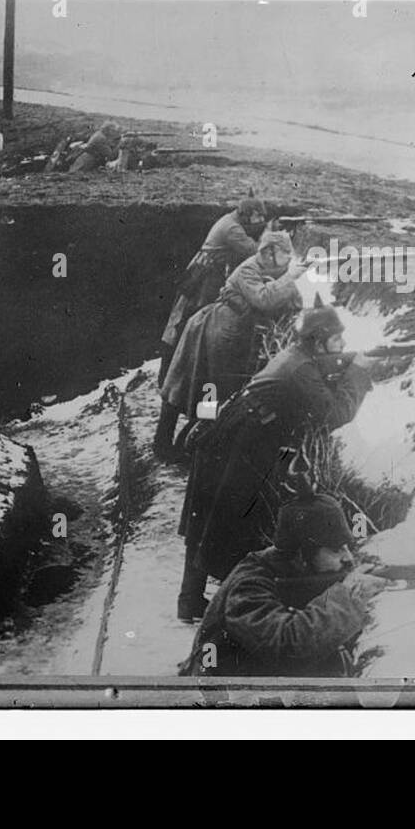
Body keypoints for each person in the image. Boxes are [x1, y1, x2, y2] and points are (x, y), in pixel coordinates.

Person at [175, 299, 374, 621]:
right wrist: (359, 375)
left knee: (210, 520)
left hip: (236, 434)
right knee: (228, 524)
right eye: (337, 340)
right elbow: (333, 414)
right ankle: (234, 605)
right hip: (241, 442)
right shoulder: (302, 367)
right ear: (319, 341)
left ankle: (191, 601)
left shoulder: (301, 358)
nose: (344, 345)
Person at [178, 494, 388, 677]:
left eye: (347, 547)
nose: (348, 558)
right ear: (302, 555)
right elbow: (287, 645)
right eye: (335, 549)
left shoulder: (295, 572)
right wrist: (348, 597)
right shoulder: (249, 584)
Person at [153, 229, 306, 462]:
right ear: (270, 253)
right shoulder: (249, 269)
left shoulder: (274, 270)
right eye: (286, 254)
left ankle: (193, 445)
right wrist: (290, 278)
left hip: (228, 336)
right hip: (209, 332)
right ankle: (164, 447)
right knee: (185, 387)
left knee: (209, 388)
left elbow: (293, 301)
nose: (289, 260)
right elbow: (263, 299)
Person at [157, 197, 268, 386]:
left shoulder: (230, 220)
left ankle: (169, 377)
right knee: (186, 324)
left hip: (202, 273)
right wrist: (269, 233)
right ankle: (173, 377)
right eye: (259, 217)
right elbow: (254, 251)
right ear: (250, 215)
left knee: (181, 323)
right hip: (204, 278)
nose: (260, 220)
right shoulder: (232, 228)